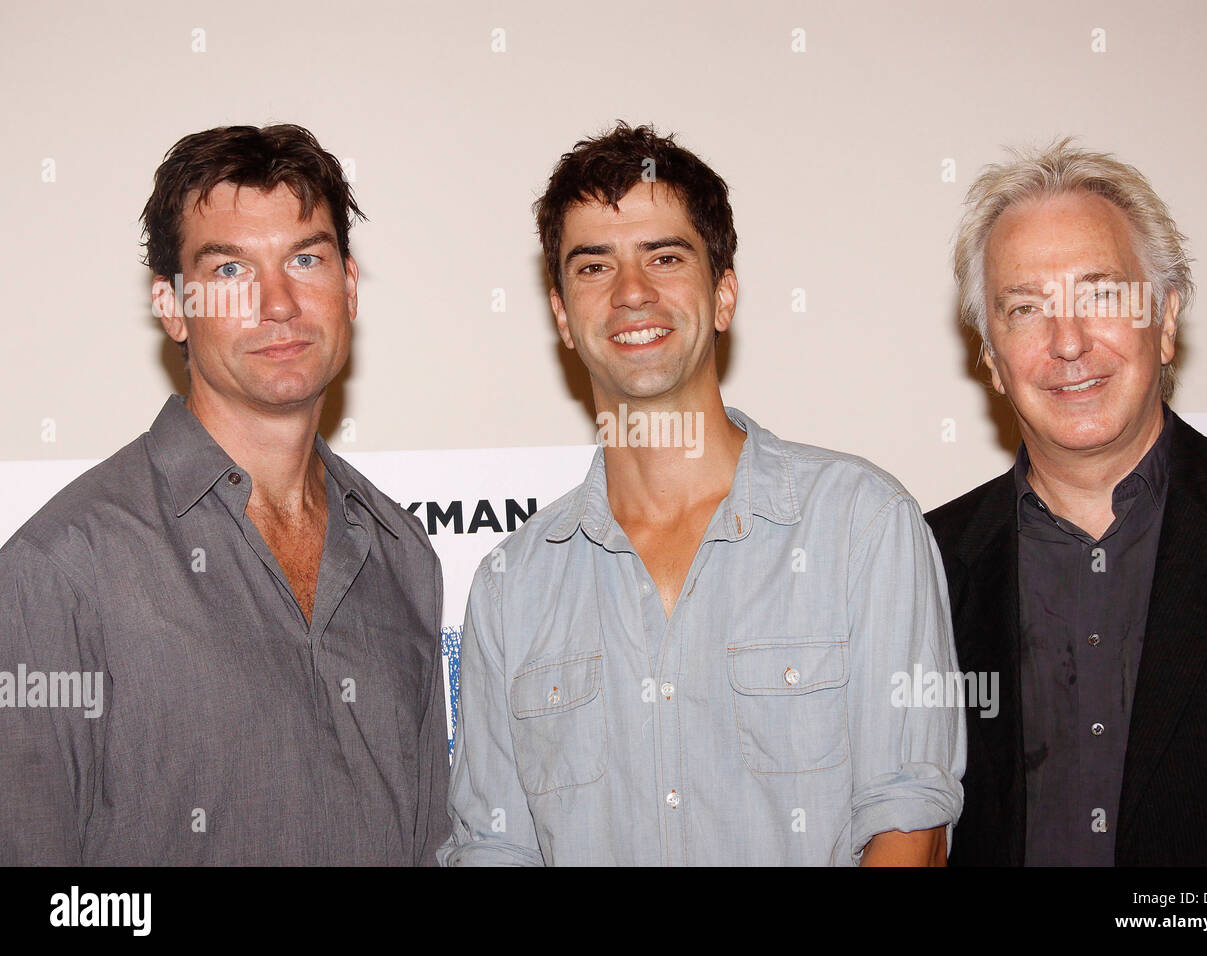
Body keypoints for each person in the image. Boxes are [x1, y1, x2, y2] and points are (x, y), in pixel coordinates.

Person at [439, 122, 964, 866]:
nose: (631, 293)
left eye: (664, 257)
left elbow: (909, 821)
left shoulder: (862, 525)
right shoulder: (510, 587)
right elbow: (496, 849)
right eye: (593, 267)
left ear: (723, 295)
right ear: (562, 316)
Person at [0, 124, 450, 864]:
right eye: (231, 271)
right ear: (173, 307)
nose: (279, 302)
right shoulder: (63, 569)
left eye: (306, 258)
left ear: (349, 287)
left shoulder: (401, 553)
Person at [926, 138, 1207, 865]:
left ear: (1164, 319)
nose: (1068, 343)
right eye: (1026, 309)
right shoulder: (923, 565)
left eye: (1101, 296)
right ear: (992, 360)